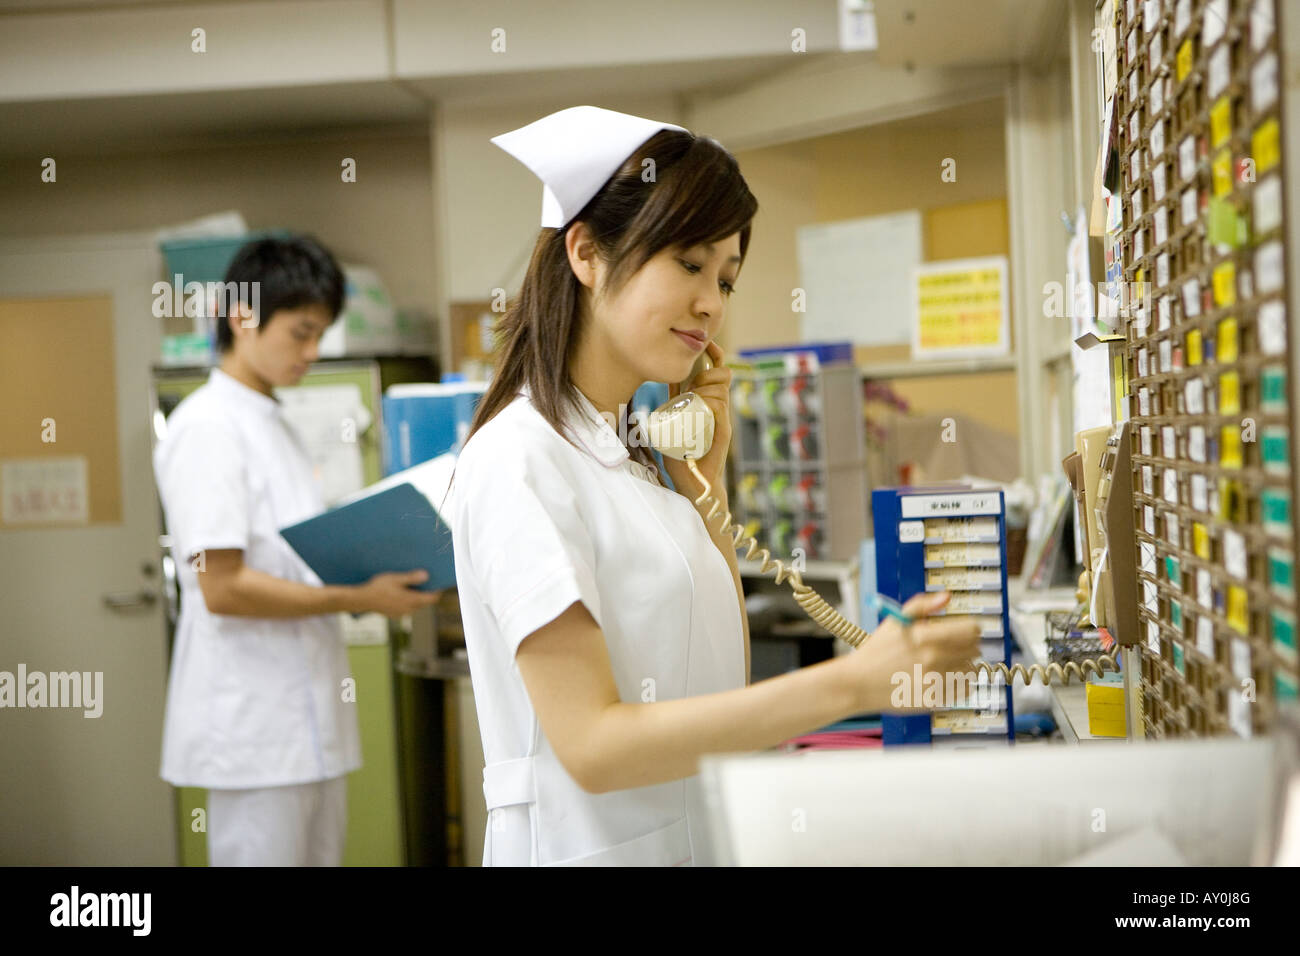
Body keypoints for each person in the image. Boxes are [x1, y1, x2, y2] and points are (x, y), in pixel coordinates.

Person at [447, 106, 981, 866]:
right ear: (587, 252)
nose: (712, 303)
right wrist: (853, 683)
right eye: (690, 265)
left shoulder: (633, 454)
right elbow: (593, 746)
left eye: (726, 278)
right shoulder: (520, 459)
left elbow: (716, 658)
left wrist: (705, 486)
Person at [152, 235, 440, 866]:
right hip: (251, 728)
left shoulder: (272, 421)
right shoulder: (206, 429)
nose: (312, 352)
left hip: (304, 719)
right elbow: (222, 588)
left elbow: (292, 556)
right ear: (243, 317)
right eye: (301, 333)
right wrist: (356, 596)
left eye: (321, 335)